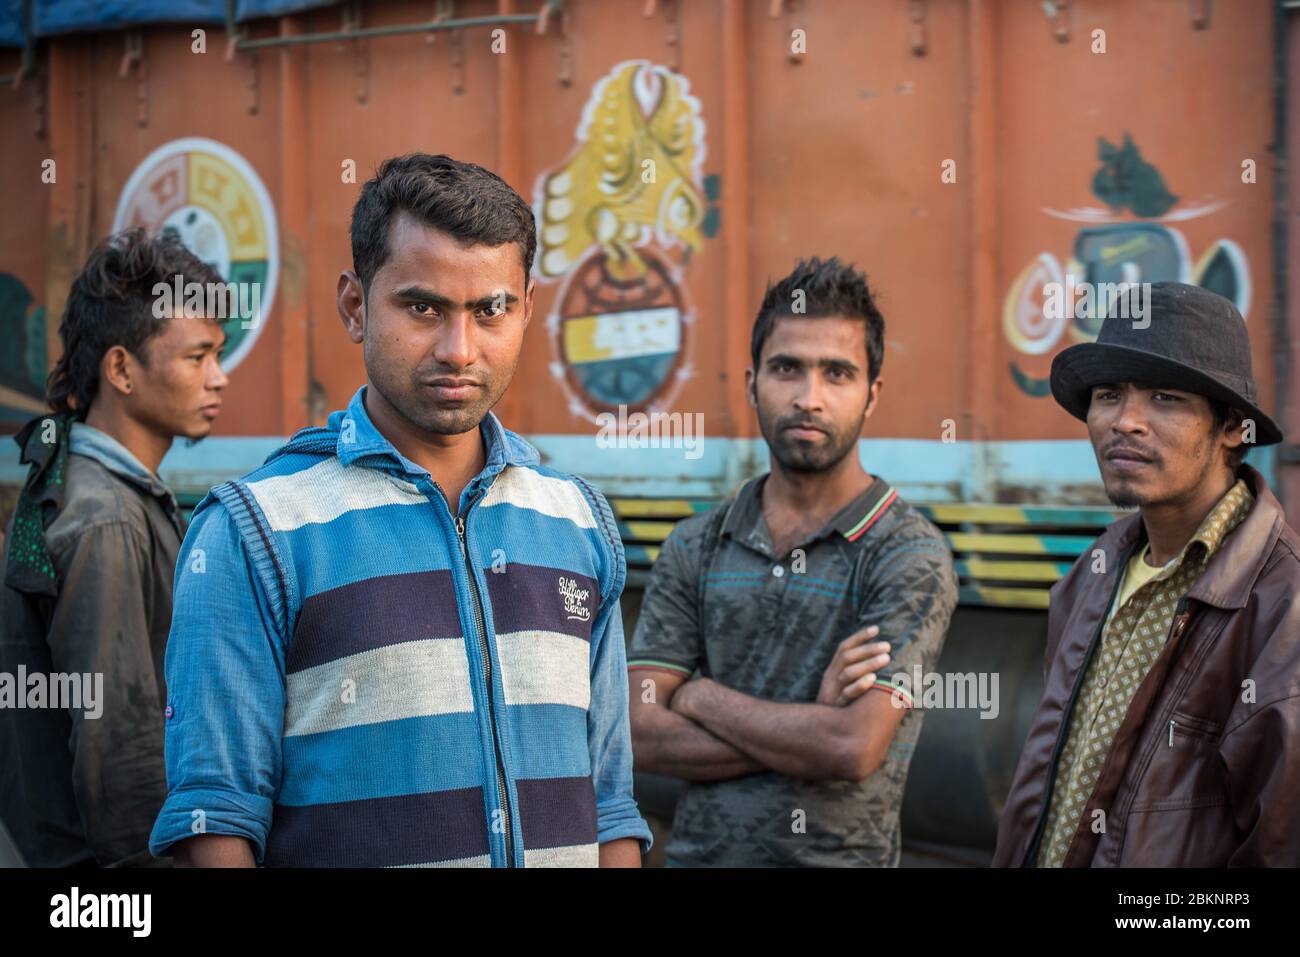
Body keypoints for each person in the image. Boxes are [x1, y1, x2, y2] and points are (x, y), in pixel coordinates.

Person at [149, 153, 651, 868]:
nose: (459, 349)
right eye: (423, 308)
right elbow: (217, 822)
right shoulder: (258, 530)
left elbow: (610, 805)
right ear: (355, 305)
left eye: (490, 311)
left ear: (525, 309)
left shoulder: (578, 524)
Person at [627, 257, 957, 867]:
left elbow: (854, 746)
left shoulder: (907, 551)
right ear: (752, 383)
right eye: (787, 369)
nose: (810, 398)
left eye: (838, 373)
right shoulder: (695, 544)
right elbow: (641, 736)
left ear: (872, 394)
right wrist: (812, 723)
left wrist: (700, 698)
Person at [994, 281, 1300, 867]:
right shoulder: (1093, 572)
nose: (1125, 421)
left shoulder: (1280, 606)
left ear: (1234, 427)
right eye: (1109, 395)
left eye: (1165, 398)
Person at [0, 228, 228, 866]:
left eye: (219, 354)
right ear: (122, 368)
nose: (220, 378)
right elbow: (119, 751)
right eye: (197, 357)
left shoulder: (83, 482)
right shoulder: (107, 520)